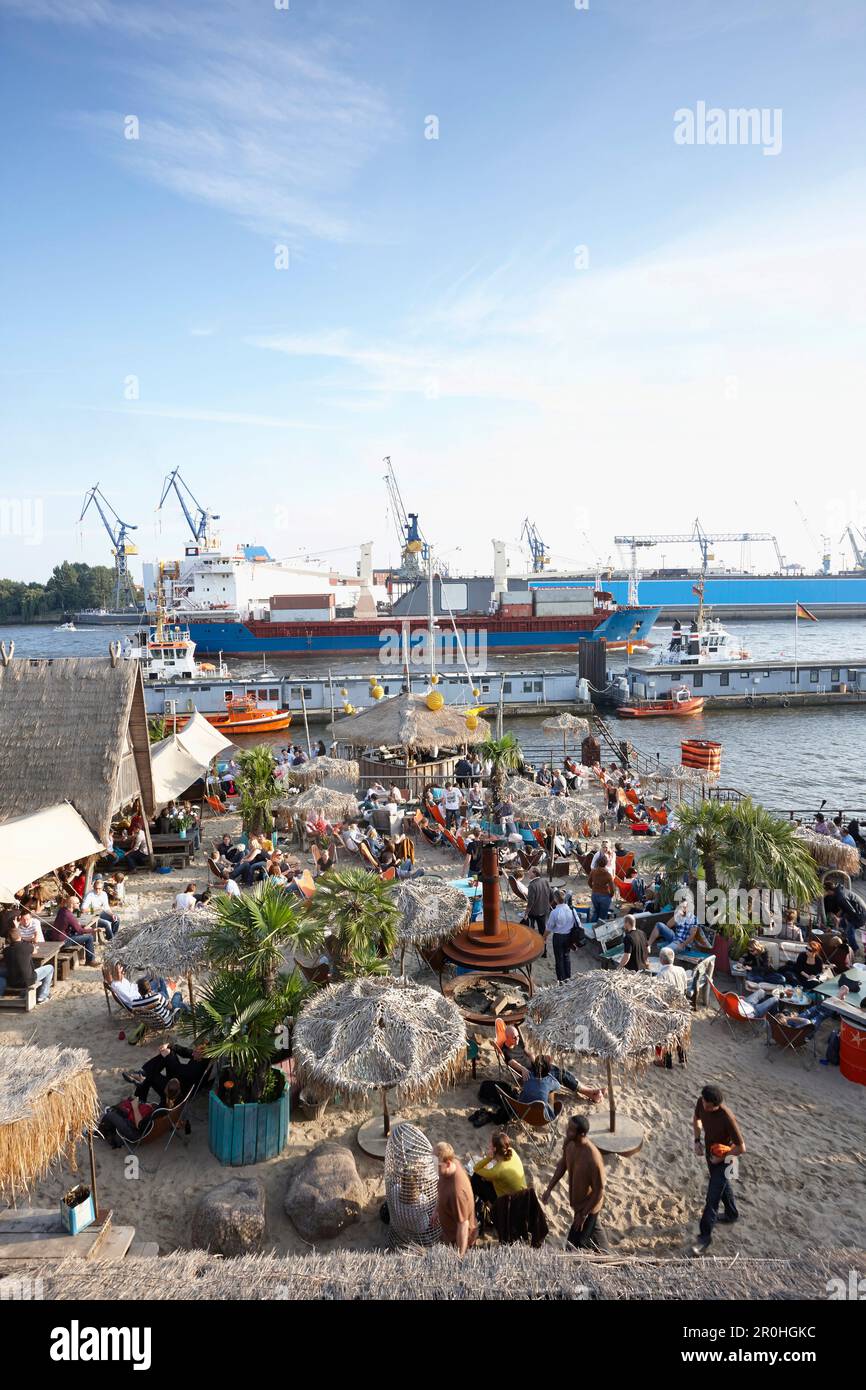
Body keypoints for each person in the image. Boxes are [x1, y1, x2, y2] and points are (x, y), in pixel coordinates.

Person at [692, 1084, 745, 1254]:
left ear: (716, 1105)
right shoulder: (702, 1101)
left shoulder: (727, 1118)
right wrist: (697, 1140)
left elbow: (741, 1147)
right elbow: (696, 1119)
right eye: (704, 1103)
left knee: (712, 1198)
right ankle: (731, 1214)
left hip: (726, 1158)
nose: (704, 1107)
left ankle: (704, 1237)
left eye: (708, 1106)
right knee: (722, 1186)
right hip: (710, 1153)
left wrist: (721, 1158)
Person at [542, 1114, 606, 1251]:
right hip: (578, 1206)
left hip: (588, 1208)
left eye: (571, 1129)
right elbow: (562, 1164)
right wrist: (549, 1188)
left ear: (581, 1134)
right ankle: (606, 1252)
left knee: (574, 1244)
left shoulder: (593, 1158)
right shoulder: (569, 1143)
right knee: (595, 1231)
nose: (567, 1131)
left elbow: (599, 1191)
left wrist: (583, 1215)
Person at [123, 1041, 212, 1104]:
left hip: (177, 1090)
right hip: (178, 1079)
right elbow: (185, 1051)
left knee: (152, 1073)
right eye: (195, 1050)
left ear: (202, 1056)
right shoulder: (201, 1057)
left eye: (196, 1052)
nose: (193, 1054)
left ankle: (140, 1093)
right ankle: (142, 1076)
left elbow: (179, 1069)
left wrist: (168, 1056)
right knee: (168, 1054)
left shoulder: (198, 1068)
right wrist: (169, 1046)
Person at [434, 1142, 477, 1255]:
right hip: (447, 1231)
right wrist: (436, 1210)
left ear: (448, 1164)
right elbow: (441, 1189)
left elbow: (463, 1225)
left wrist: (459, 1255)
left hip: (455, 1240)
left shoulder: (457, 1192)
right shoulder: (452, 1165)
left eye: (437, 1165)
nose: (434, 1168)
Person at [1, 923, 53, 1002]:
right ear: (20, 936)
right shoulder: (26, 946)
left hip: (12, 981)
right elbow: (35, 951)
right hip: (28, 980)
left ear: (9, 939)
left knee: (3, 973)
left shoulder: (6, 951)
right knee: (50, 968)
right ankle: (42, 996)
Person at [470, 1131, 526, 1204]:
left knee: (476, 1178)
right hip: (522, 1196)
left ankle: (483, 1203)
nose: (489, 1145)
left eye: (490, 1144)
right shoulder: (512, 1152)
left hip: (508, 1203)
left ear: (494, 1149)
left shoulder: (497, 1171)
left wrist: (489, 1158)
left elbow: (476, 1168)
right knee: (485, 1178)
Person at [647, 902, 712, 955]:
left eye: (683, 907)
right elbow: (668, 925)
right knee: (659, 925)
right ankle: (648, 945)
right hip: (674, 937)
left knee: (664, 951)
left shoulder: (693, 919)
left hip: (681, 942)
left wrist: (682, 945)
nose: (681, 909)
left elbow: (692, 935)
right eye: (681, 907)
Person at [48, 896, 96, 964]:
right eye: (77, 903)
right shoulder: (68, 915)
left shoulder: (62, 910)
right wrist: (94, 930)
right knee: (89, 937)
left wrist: (80, 927)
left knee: (82, 934)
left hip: (57, 937)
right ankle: (90, 961)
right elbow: (80, 930)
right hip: (63, 940)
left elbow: (72, 925)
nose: (79, 904)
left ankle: (86, 957)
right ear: (71, 904)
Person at [544, 890, 576, 982]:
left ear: (555, 899)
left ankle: (561, 980)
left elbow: (549, 928)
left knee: (559, 958)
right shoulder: (571, 910)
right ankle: (568, 977)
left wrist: (544, 937)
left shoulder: (555, 912)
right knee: (566, 956)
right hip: (568, 936)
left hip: (558, 937)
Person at [526, 868, 552, 942]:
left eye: (530, 872)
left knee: (531, 927)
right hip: (544, 910)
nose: (528, 873)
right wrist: (548, 904)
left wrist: (526, 913)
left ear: (534, 874)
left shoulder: (532, 885)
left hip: (534, 912)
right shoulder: (545, 881)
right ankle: (544, 944)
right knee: (542, 928)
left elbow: (530, 902)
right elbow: (551, 894)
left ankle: (533, 941)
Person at [587, 854, 614, 923]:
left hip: (595, 895)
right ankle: (599, 930)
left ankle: (591, 926)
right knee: (603, 916)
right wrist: (610, 895)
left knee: (596, 912)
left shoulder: (593, 871)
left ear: (597, 863)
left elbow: (589, 882)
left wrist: (593, 888)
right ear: (605, 863)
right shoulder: (608, 875)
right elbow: (612, 889)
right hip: (605, 896)